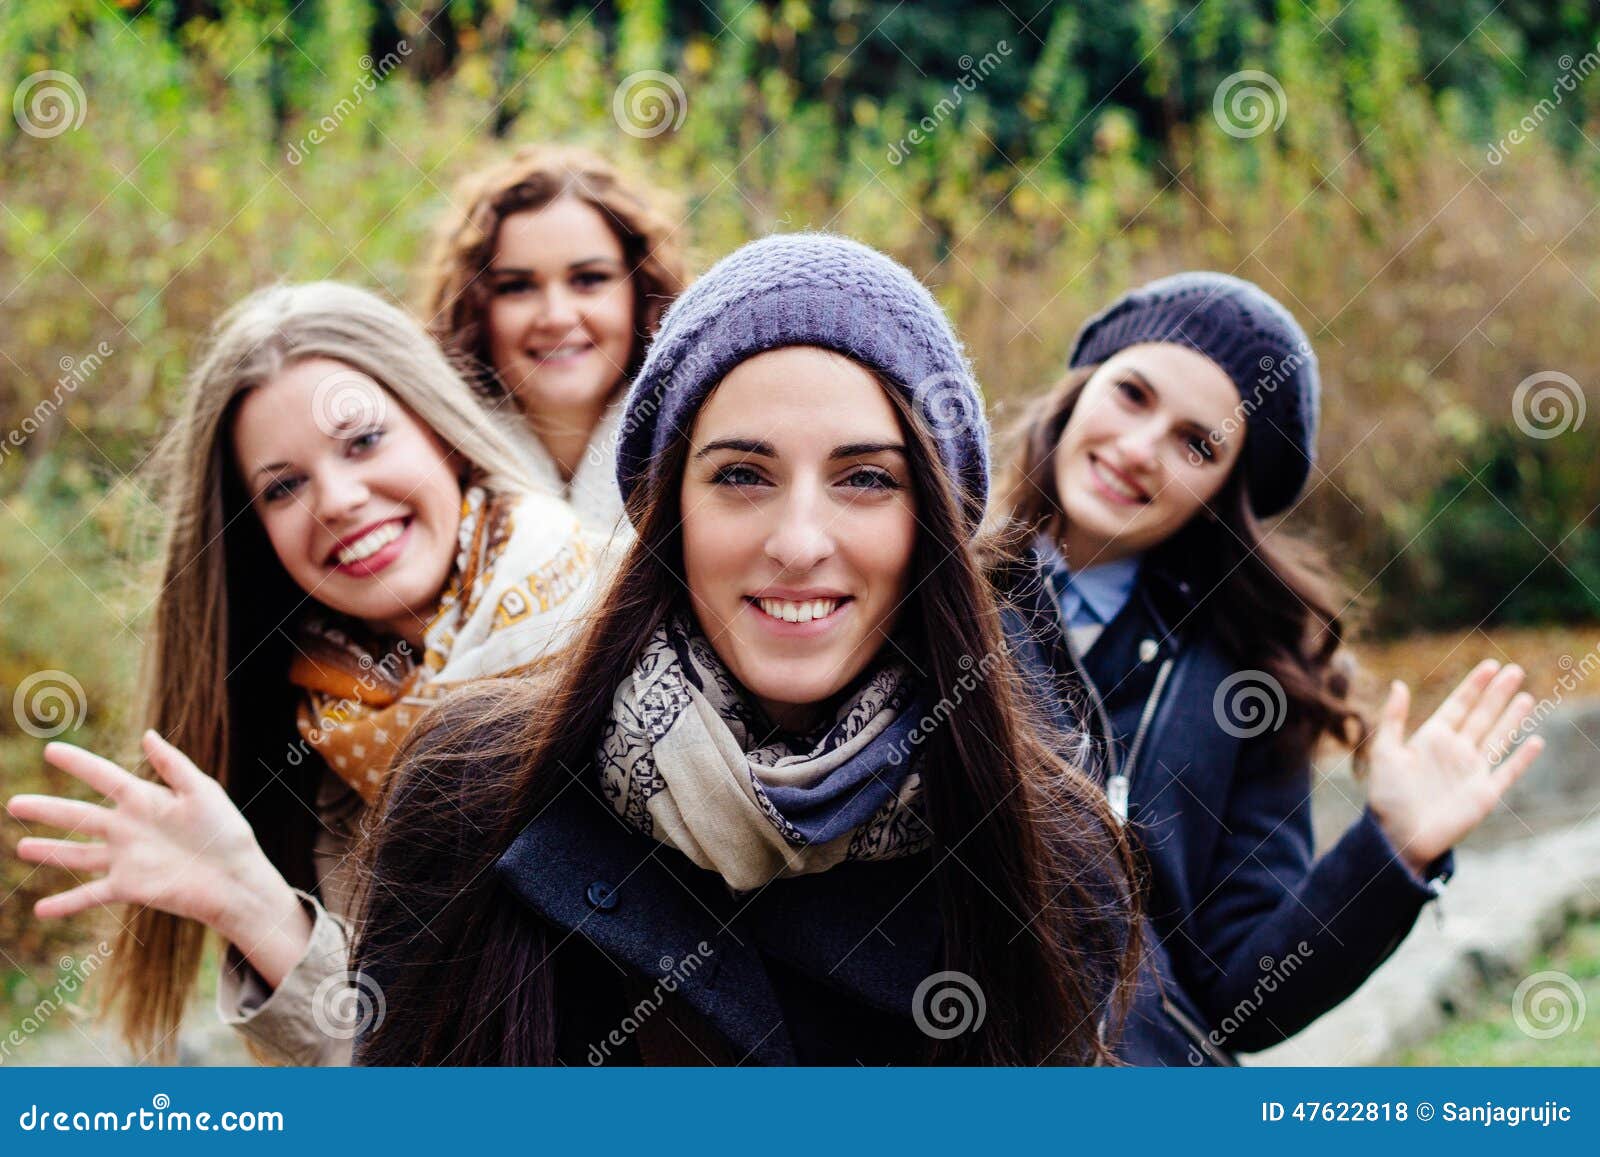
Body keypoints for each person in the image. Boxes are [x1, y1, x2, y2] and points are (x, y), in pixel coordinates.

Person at [354, 233, 1137, 1065]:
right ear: (668, 511)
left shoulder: (1052, 855)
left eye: (866, 478)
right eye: (741, 475)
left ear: (933, 525)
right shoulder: (466, 791)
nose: (798, 542)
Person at [6, 282, 600, 1065]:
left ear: (441, 433)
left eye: (363, 442)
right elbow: (400, 1083)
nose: (340, 499)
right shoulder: (318, 773)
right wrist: (253, 903)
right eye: (284, 486)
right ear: (258, 534)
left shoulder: (616, 609)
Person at [995, 271, 1546, 1064]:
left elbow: (1238, 996)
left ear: (1226, 489)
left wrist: (1392, 854)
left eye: (1197, 442)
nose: (1139, 450)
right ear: (1080, 388)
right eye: (1133, 394)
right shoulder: (927, 590)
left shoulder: (1253, 684)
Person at [419, 144, 688, 538]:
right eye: (517, 287)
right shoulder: (429, 465)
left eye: (589, 279)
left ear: (642, 288)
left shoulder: (701, 448)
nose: (557, 316)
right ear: (477, 307)